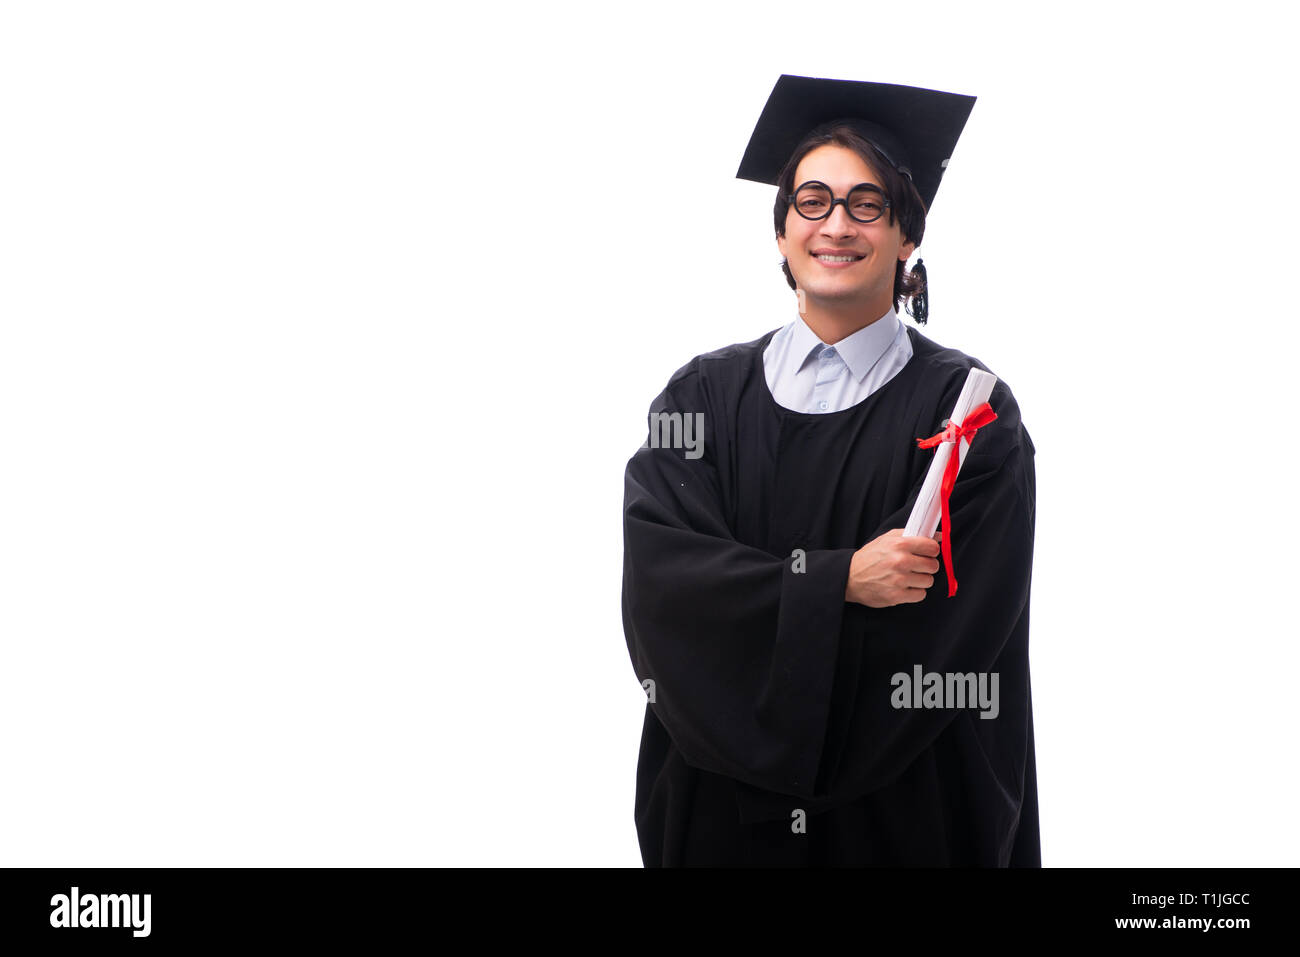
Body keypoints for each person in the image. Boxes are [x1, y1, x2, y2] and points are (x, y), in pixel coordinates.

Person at [621, 76, 1040, 866]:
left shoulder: (971, 415)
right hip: (722, 829)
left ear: (907, 235)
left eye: (866, 204)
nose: (835, 224)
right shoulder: (698, 400)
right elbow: (668, 592)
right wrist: (841, 578)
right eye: (811, 201)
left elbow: (954, 644)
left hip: (906, 818)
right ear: (781, 233)